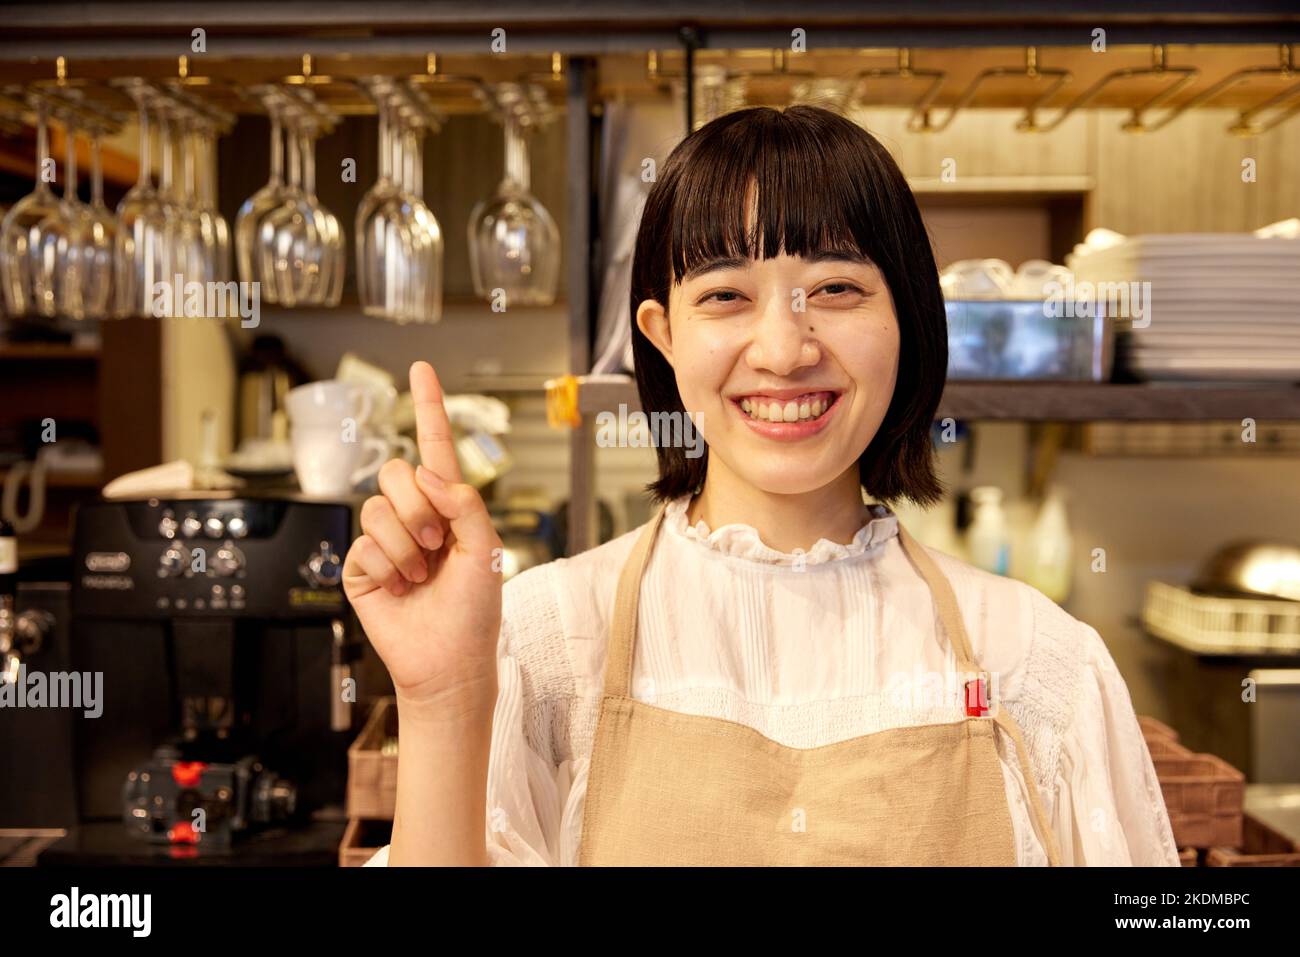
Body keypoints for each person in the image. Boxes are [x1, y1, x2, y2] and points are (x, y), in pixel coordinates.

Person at [345, 105, 1179, 866]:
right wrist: (444, 698)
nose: (784, 350)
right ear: (663, 335)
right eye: (725, 295)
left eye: (838, 288)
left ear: (908, 319)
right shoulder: (551, 639)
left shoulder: (1035, 661)